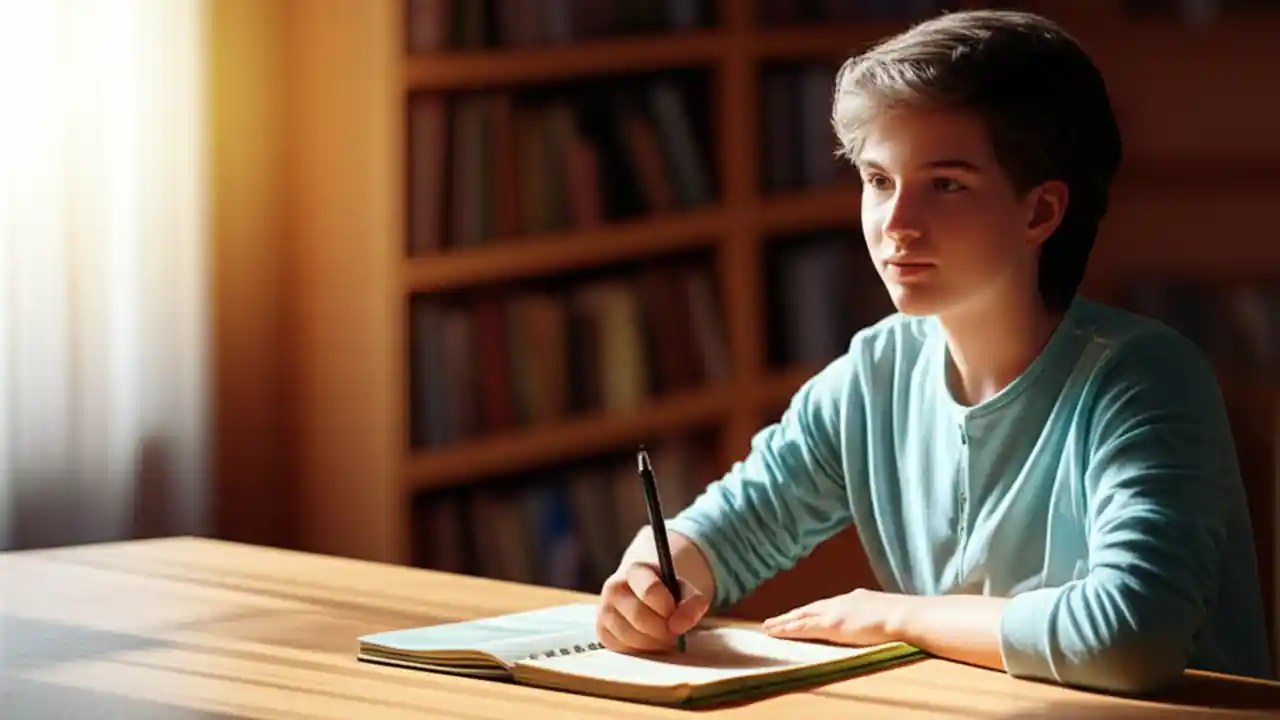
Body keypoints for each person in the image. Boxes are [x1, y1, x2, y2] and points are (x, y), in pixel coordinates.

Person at [594, 9, 1272, 694]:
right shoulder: (874, 376)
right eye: (879, 180)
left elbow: (1130, 635)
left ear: (1040, 213)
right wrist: (652, 577)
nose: (896, 225)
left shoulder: (1145, 381)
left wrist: (898, 617)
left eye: (945, 184)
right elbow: (729, 529)